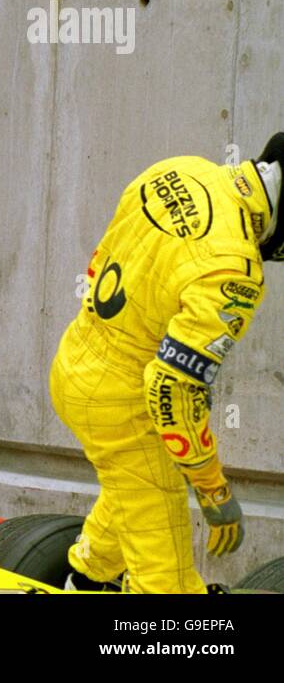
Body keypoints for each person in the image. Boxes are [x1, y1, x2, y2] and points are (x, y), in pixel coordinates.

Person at [49, 136, 283, 592]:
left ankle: (87, 577)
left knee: (139, 481)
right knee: (169, 585)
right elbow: (170, 389)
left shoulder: (179, 169)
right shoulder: (235, 268)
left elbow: (103, 260)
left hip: (74, 358)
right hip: (122, 403)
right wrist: (214, 490)